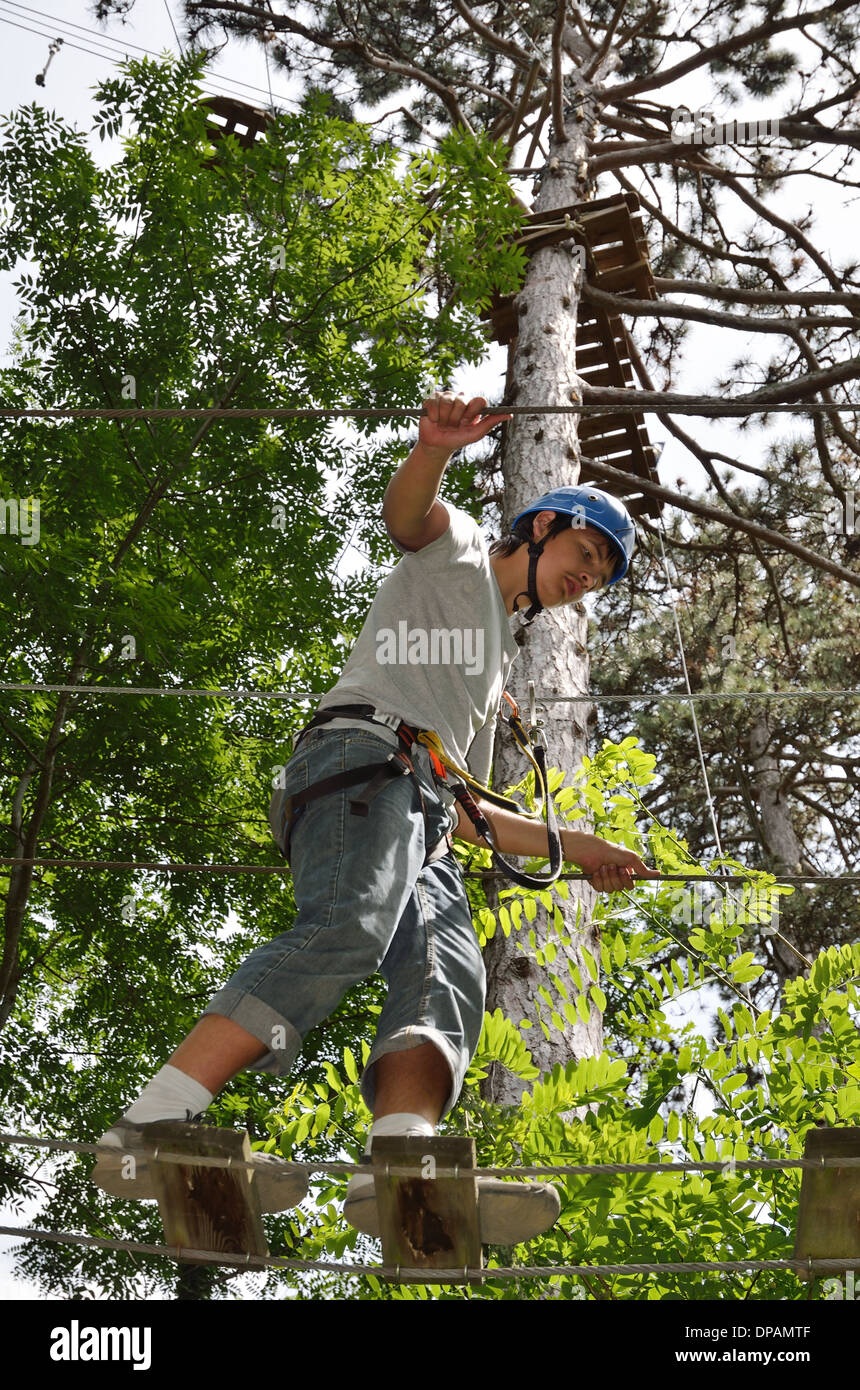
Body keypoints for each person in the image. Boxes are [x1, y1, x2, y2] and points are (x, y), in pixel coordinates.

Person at [92, 390, 658, 1245]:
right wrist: (433, 448)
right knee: (348, 928)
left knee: (448, 977)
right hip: (363, 765)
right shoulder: (463, 552)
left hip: (421, 806)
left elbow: (466, 809)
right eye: (585, 551)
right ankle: (147, 1129)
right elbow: (409, 516)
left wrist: (575, 846)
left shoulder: (495, 651)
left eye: (603, 575)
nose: (589, 577)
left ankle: (401, 1160)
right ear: (538, 528)